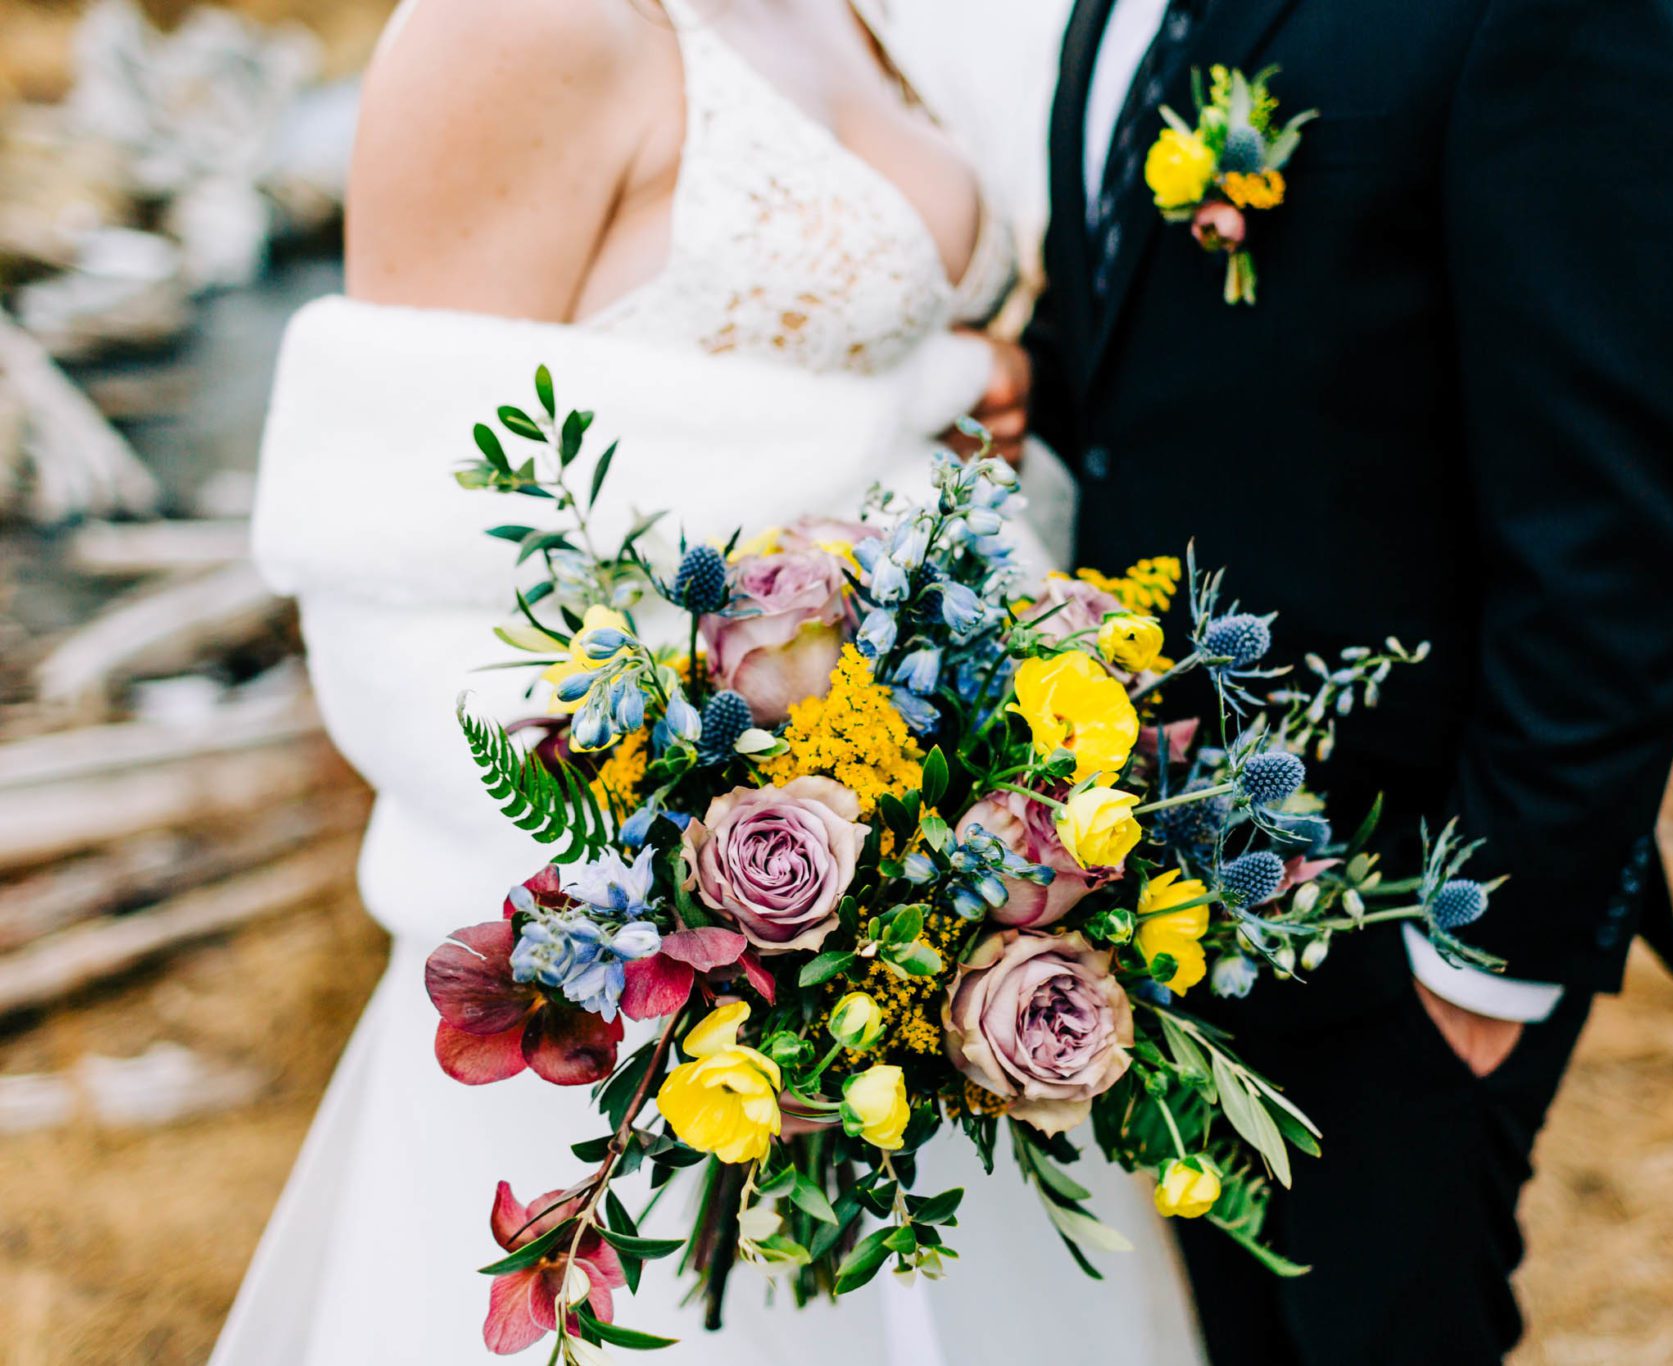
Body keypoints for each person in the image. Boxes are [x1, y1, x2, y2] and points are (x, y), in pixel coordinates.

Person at [212, 1, 1193, 1361]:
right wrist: (718, 928)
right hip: (656, 992)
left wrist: (963, 385)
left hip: (931, 949)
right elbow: (393, 550)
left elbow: (824, 381)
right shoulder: (507, 30)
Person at [1015, 0, 1673, 1359]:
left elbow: (1631, 509)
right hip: (1145, 888)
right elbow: (1133, 368)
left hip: (1400, 904)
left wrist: (1482, 950)